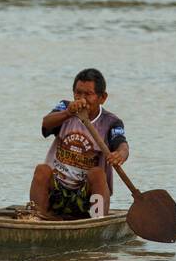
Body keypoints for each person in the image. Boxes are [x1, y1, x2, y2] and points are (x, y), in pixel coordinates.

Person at [30, 69, 128, 219]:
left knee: (97, 174)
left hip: (86, 194)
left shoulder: (111, 122)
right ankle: (40, 217)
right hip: (57, 190)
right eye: (78, 93)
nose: (81, 99)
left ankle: (97, 221)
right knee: (42, 170)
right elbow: (46, 124)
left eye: (88, 94)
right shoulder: (65, 107)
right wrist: (68, 113)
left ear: (102, 98)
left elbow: (122, 144)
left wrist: (120, 154)